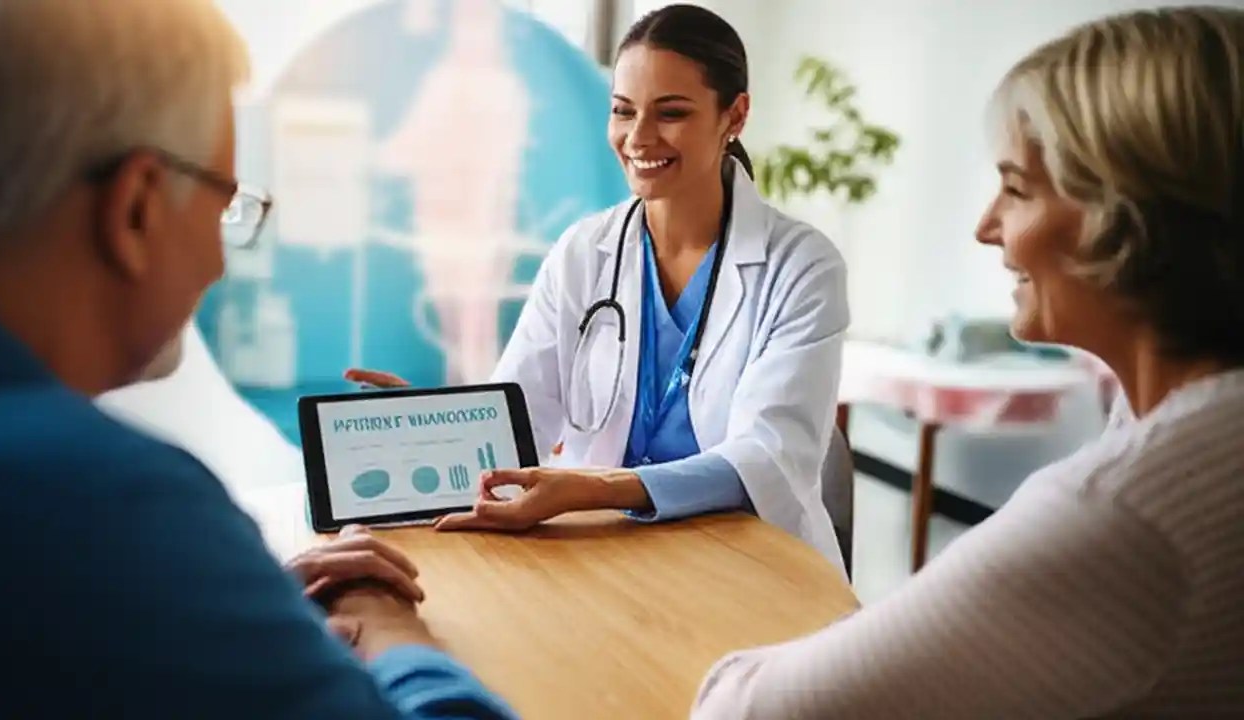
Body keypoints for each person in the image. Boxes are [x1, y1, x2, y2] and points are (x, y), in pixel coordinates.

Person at [0, 1, 516, 717]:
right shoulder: (102, 502)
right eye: (227, 205)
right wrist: (388, 625)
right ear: (137, 207)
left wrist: (226, 600)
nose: (222, 261)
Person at [690, 6, 1244, 718]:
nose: (986, 226)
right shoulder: (1173, 429)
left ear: (1132, 222)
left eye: (1016, 188)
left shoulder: (1125, 516)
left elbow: (755, 709)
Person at [349, 4, 851, 571]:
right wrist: (433, 427)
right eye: (622, 111)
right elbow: (520, 416)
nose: (638, 137)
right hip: (605, 553)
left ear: (734, 116)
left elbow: (768, 459)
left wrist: (597, 489)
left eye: (672, 113)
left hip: (748, 560)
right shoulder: (584, 252)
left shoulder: (802, 267)